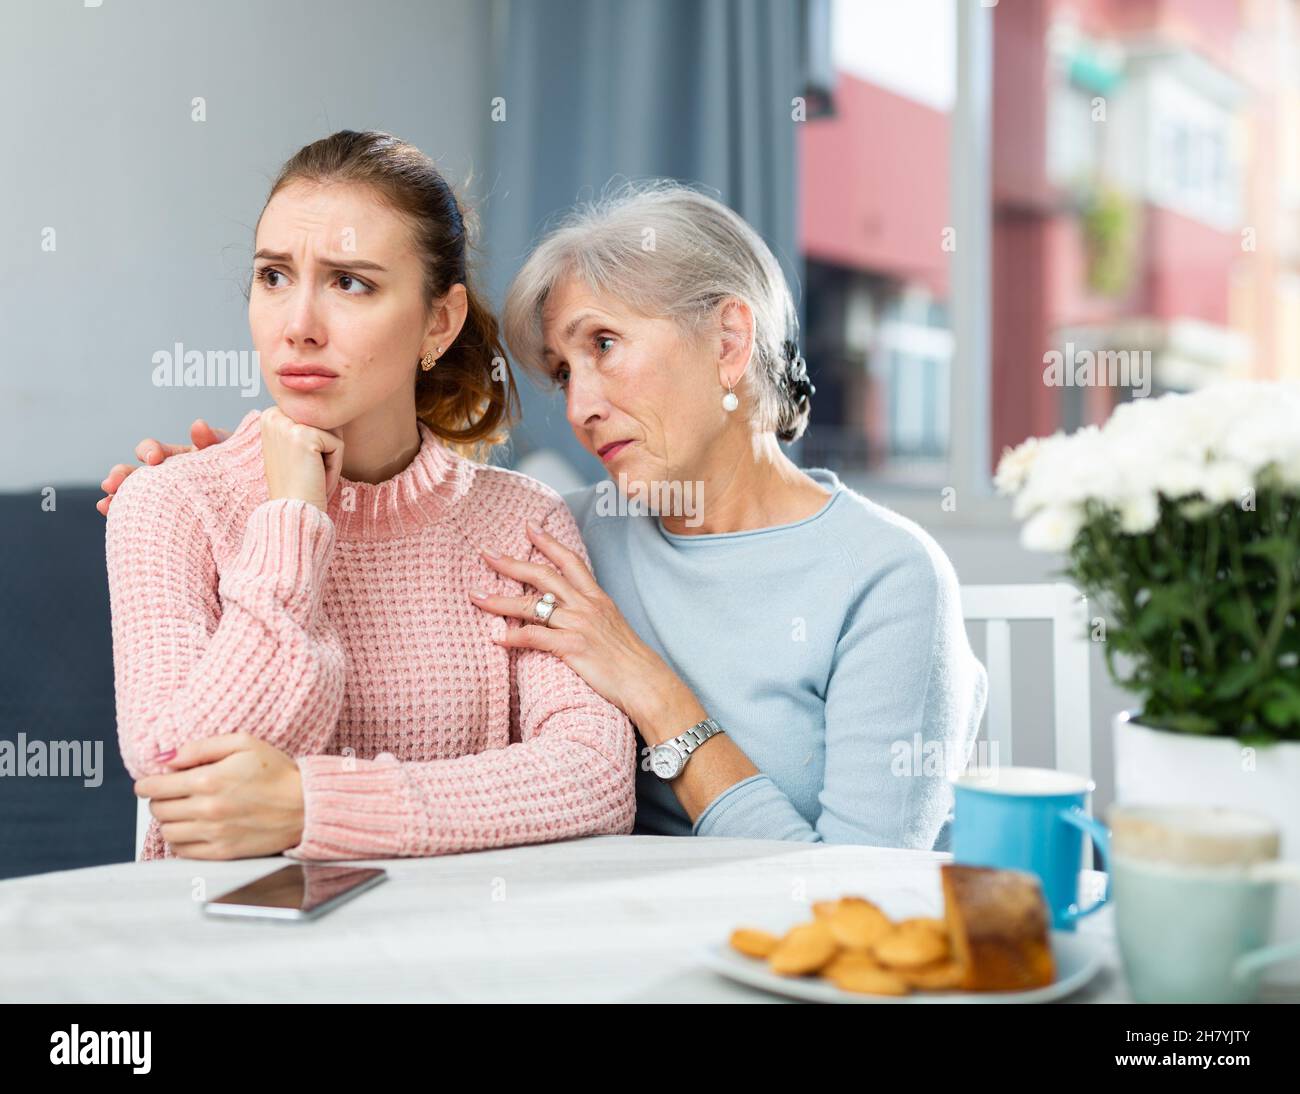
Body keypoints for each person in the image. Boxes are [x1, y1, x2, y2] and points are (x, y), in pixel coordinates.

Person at [103, 179, 987, 852]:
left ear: (728, 342)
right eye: (564, 372)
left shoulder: (888, 577)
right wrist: (231, 494)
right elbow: (416, 519)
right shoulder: (564, 531)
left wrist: (652, 691)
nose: (580, 407)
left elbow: (859, 892)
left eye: (604, 344)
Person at [103, 130, 636, 862]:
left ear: (439, 321)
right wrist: (292, 523)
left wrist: (312, 807)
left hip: (459, 931)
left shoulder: (521, 522)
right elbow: (182, 774)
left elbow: (594, 777)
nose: (298, 327)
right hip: (225, 933)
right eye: (273, 277)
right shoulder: (167, 503)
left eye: (350, 283)